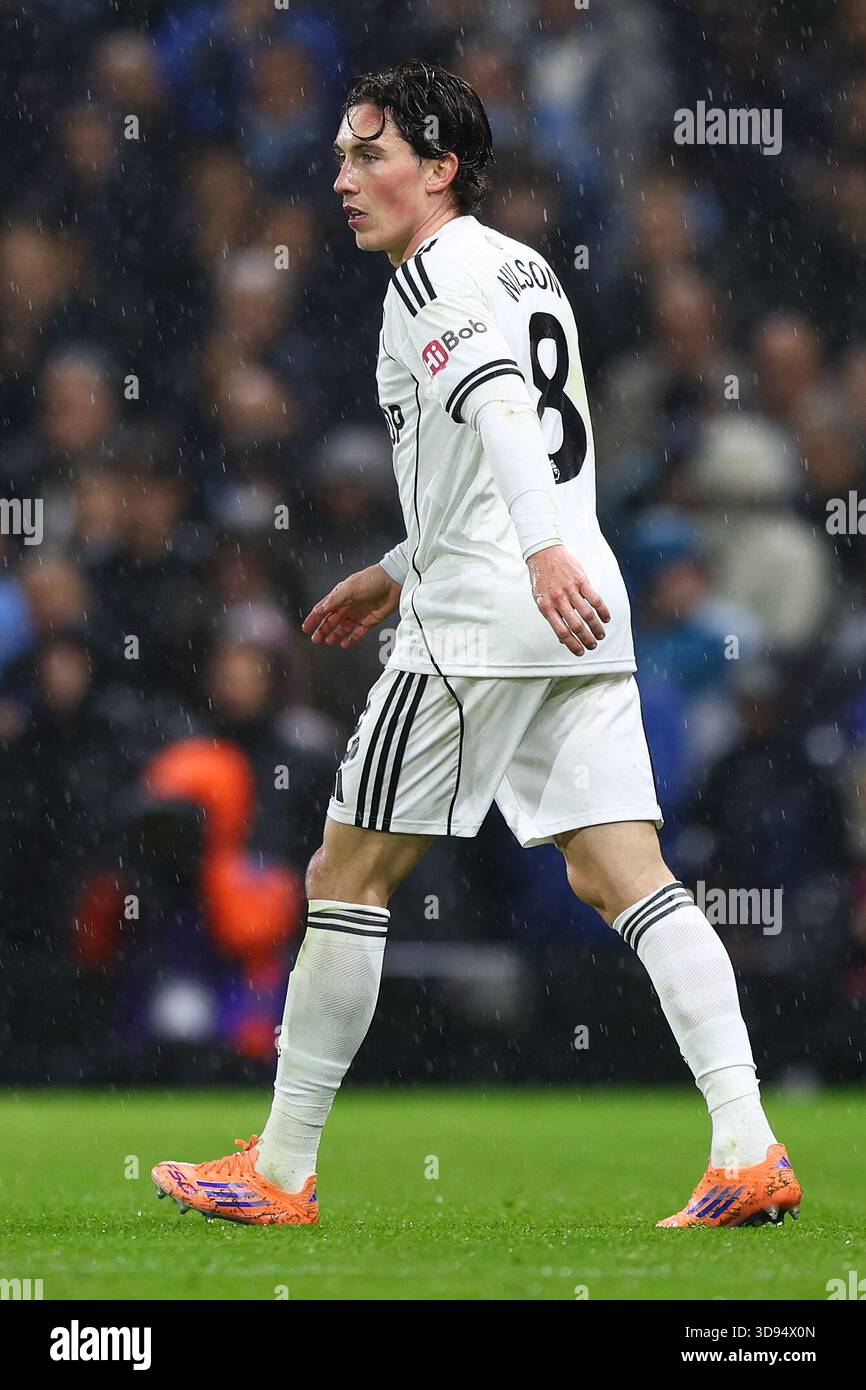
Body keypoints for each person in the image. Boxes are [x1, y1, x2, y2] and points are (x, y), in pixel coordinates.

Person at [153, 60, 802, 1230]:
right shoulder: (522, 263)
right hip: (573, 609)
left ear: (438, 168)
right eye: (342, 155)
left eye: (369, 155)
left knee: (345, 879)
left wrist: (529, 558)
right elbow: (516, 458)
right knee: (624, 874)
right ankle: (747, 1144)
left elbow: (504, 411)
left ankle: (281, 1170)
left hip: (493, 615)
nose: (343, 177)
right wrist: (398, 568)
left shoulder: (429, 279)